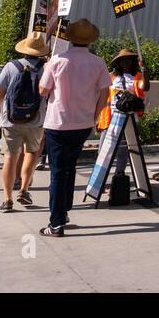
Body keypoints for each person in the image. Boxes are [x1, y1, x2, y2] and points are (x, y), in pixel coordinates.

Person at [37, 19, 112, 237]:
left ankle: (56, 221)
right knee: (70, 168)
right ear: (90, 40)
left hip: (58, 122)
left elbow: (43, 90)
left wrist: (45, 69)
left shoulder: (57, 60)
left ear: (70, 38)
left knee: (57, 173)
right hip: (83, 123)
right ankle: (64, 210)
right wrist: (95, 113)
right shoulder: (98, 62)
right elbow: (105, 93)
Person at [0, 32, 51, 212]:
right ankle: (24, 190)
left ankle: (7, 200)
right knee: (31, 153)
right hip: (36, 120)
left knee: (10, 157)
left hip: (11, 119)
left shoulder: (11, 66)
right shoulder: (46, 68)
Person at [97, 48, 146, 185]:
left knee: (123, 150)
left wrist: (145, 71)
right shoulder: (111, 76)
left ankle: (119, 177)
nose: (125, 62)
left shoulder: (137, 76)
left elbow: (145, 87)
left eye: (128, 59)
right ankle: (100, 181)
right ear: (118, 62)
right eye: (123, 60)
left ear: (132, 61)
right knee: (103, 150)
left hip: (128, 118)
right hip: (110, 117)